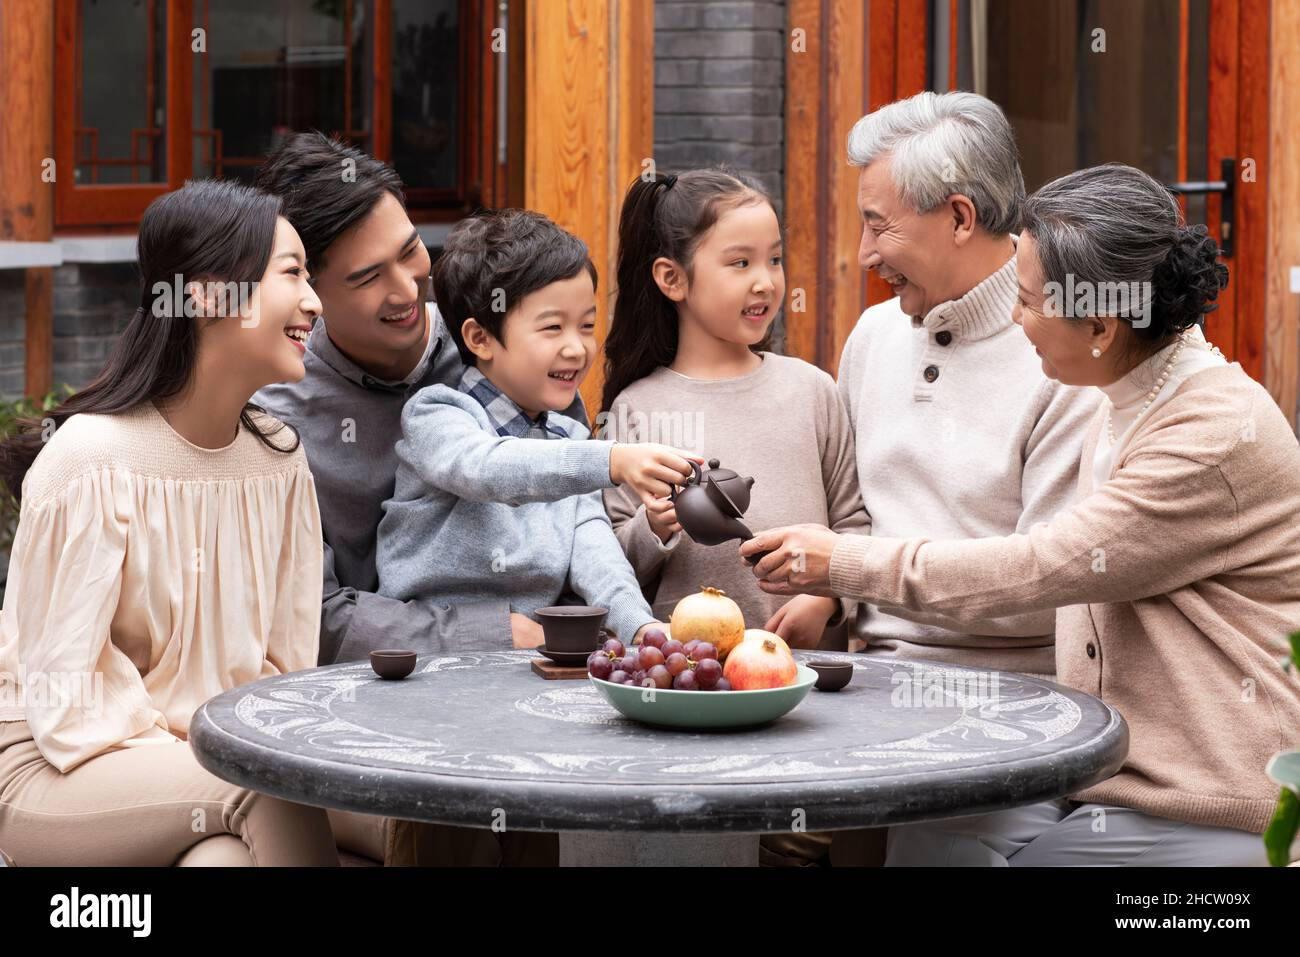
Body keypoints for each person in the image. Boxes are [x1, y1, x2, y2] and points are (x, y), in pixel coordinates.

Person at [743, 163, 1300, 865]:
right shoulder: (1124, 387)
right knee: (931, 835)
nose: (1013, 318)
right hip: (1094, 764)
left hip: (1212, 792)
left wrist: (841, 561)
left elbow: (1043, 564)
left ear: (1099, 323)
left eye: (1029, 301)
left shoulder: (1209, 435)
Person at [0, 180, 339, 865]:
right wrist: (204, 747)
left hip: (212, 766)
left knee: (447, 803)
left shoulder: (277, 460)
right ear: (212, 295)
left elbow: (283, 669)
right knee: (263, 788)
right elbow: (67, 706)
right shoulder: (91, 459)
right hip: (59, 769)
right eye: (293, 273)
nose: (315, 301)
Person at [837, 90, 1100, 679]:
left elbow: (1049, 589)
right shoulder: (873, 335)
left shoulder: (1064, 354)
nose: (864, 254)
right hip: (865, 678)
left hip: (1018, 692)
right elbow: (846, 511)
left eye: (879, 227)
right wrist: (825, 592)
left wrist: (844, 568)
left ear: (960, 217)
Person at [601, 167, 867, 651]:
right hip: (686, 676)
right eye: (740, 264)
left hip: (805, 677)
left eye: (775, 260)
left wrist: (827, 600)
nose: (765, 282)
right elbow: (607, 562)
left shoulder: (812, 391)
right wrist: (651, 529)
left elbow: (853, 525)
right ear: (672, 278)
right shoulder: (635, 409)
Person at [376, 209, 665, 646]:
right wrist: (612, 459)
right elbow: (488, 468)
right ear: (480, 339)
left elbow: (594, 552)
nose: (577, 348)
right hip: (429, 654)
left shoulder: (570, 440)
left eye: (587, 325)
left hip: (528, 661)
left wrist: (640, 627)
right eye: (553, 327)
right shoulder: (436, 414)